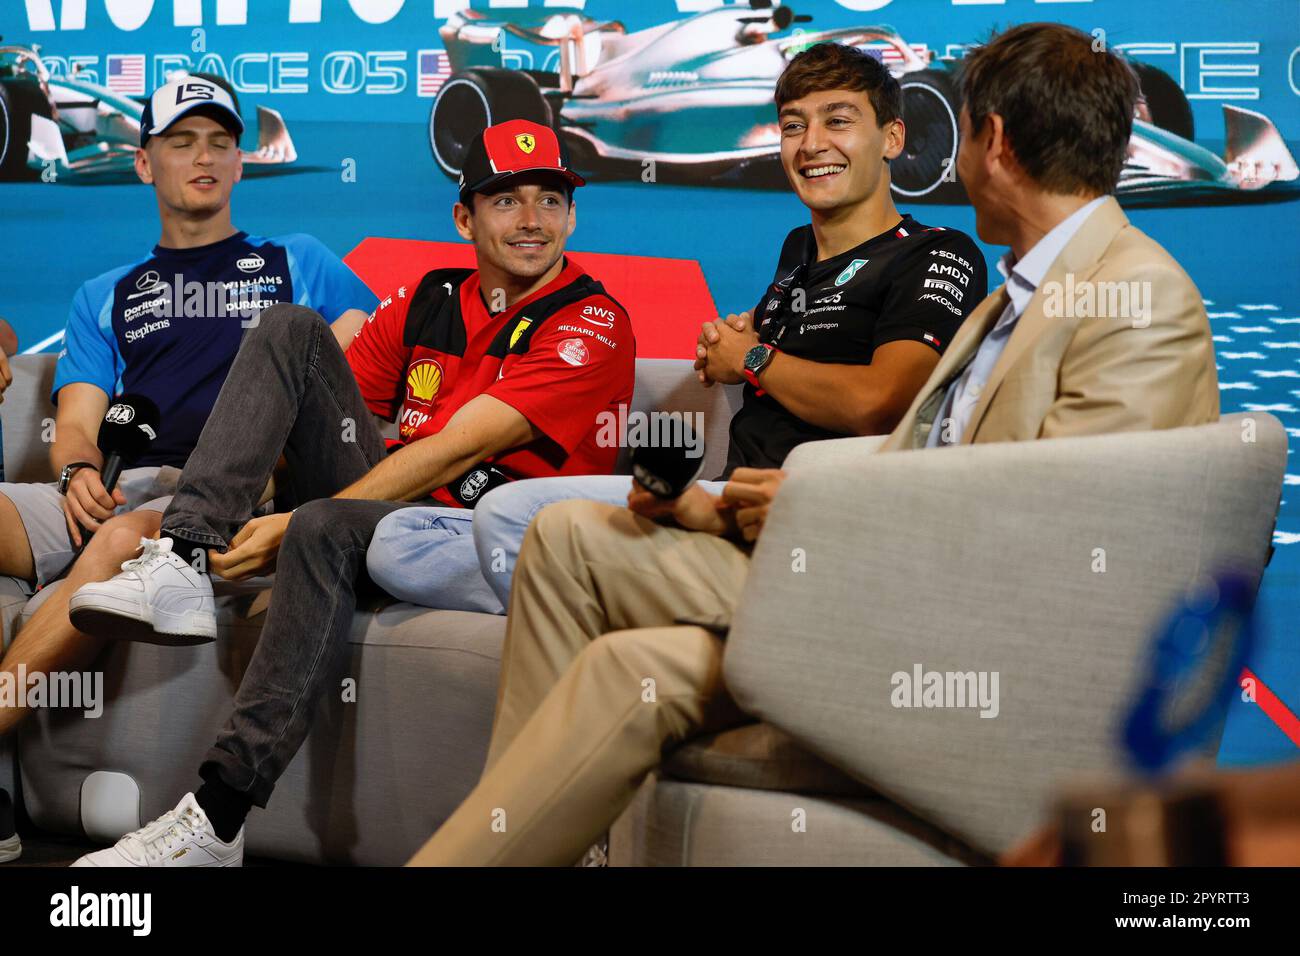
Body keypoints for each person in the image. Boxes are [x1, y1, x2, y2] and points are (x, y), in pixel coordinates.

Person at [409, 24, 1219, 866]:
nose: (808, 145)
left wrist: (814, 502)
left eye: (962, 126)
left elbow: (1076, 540)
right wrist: (727, 504)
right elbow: (940, 454)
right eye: (794, 123)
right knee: (571, 549)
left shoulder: (1132, 296)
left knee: (557, 542)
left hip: (929, 626)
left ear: (994, 142)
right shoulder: (1021, 289)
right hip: (843, 555)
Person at [68, 120, 636, 867]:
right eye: (507, 201)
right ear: (464, 217)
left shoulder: (591, 320)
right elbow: (315, 411)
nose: (532, 221)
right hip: (401, 519)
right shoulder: (430, 297)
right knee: (291, 327)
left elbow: (459, 445)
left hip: (497, 543)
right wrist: (254, 503)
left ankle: (216, 818)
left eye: (550, 200)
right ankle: (182, 552)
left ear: (571, 215)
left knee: (325, 529)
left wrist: (296, 519)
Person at [369, 41, 986, 611]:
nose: (812, 143)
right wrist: (733, 345)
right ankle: (612, 590)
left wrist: (751, 359)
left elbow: (884, 404)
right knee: (398, 540)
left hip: (805, 514)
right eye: (795, 125)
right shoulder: (798, 252)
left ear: (894, 137)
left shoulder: (936, 253)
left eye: (839, 120)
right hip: (718, 500)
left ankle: (592, 590)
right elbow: (781, 353)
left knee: (505, 515)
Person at [0, 75, 374, 864]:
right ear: (143, 163)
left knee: (115, 549)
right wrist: (73, 472)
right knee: (86, 526)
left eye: (220, 142)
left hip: (232, 496)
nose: (203, 157)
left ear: (242, 162)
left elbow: (353, 386)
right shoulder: (104, 294)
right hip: (116, 486)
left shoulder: (296, 264)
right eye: (181, 141)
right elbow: (76, 421)